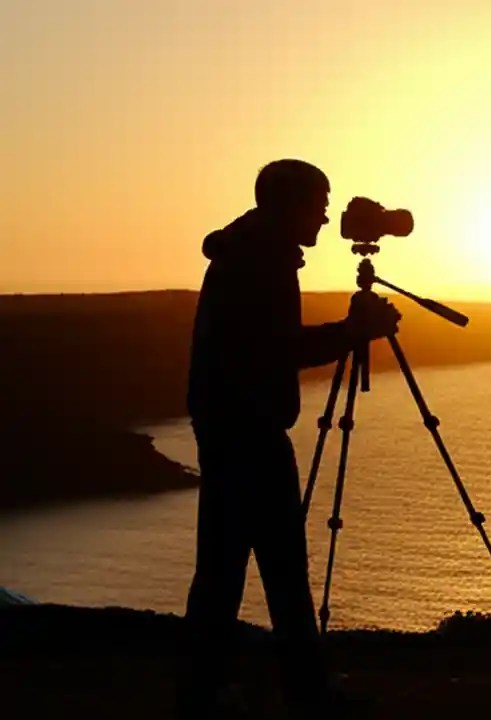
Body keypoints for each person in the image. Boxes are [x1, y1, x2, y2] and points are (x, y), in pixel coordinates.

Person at [178, 159, 398, 719]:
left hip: (231, 428)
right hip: (247, 433)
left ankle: (211, 693)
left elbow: (266, 344)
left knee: (229, 570)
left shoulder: (252, 248)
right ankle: (298, 694)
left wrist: (347, 331)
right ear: (291, 205)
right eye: (320, 203)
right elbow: (277, 348)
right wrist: (352, 333)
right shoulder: (262, 258)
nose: (327, 216)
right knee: (272, 569)